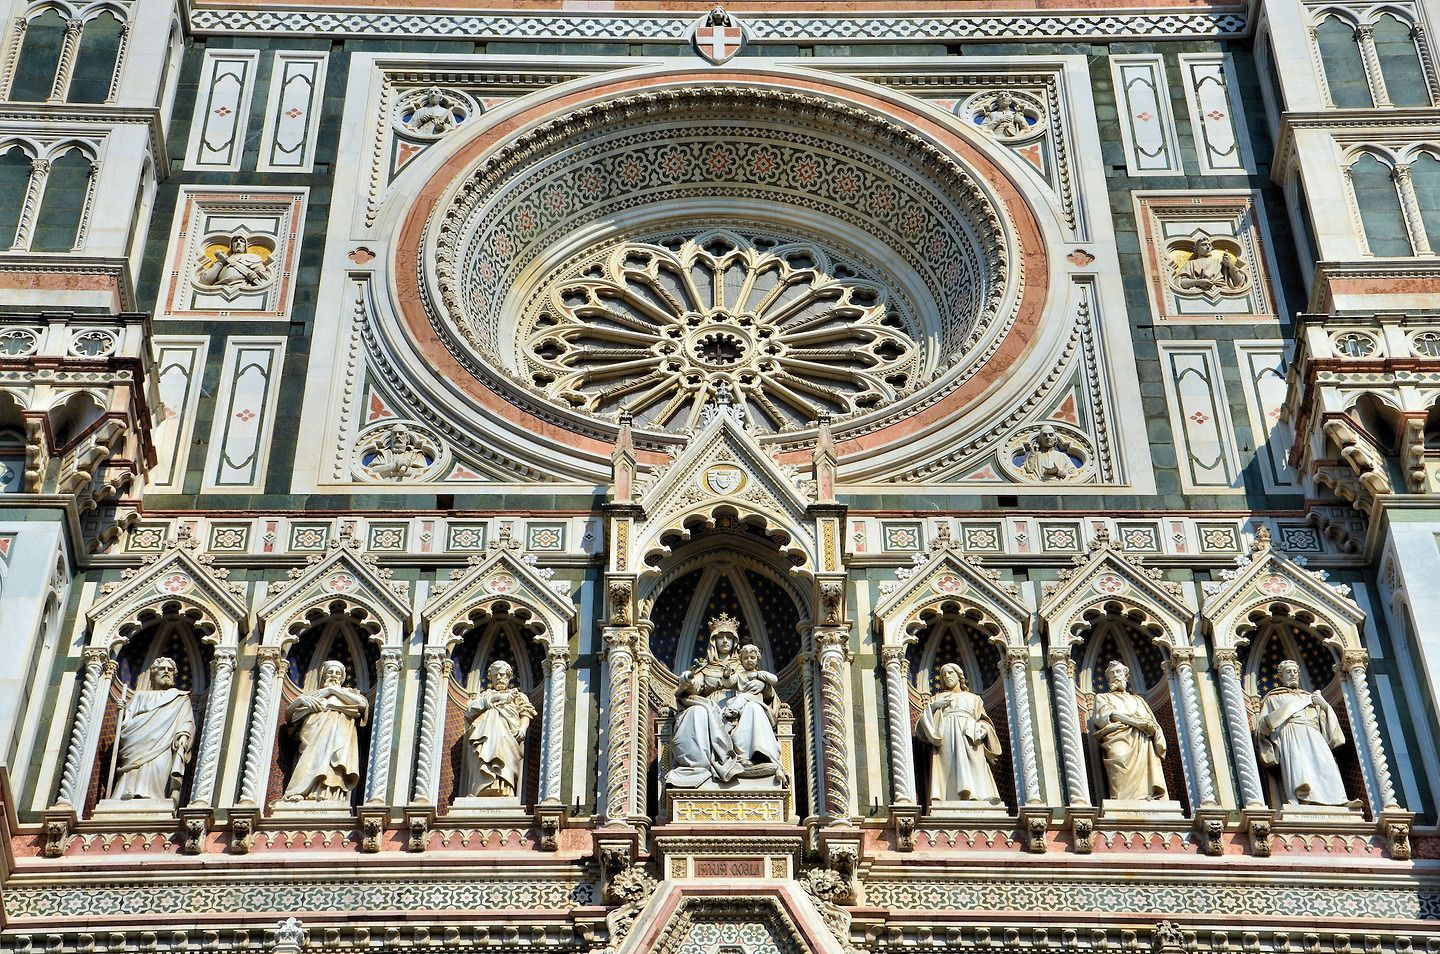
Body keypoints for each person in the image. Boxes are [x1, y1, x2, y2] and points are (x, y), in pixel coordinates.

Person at [1256, 659, 1360, 808]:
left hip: (1314, 734)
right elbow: (1262, 726)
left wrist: (1323, 704)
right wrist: (1266, 729)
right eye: (1288, 672)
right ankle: (1298, 800)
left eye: (1295, 671)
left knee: (1326, 764)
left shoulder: (1310, 698)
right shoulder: (1273, 698)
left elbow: (1328, 725)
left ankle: (1339, 799)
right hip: (1291, 734)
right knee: (1298, 768)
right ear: (1280, 676)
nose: (1292, 674)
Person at [110, 657, 194, 803]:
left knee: (159, 767)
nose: (166, 672)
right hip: (137, 742)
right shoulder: (141, 696)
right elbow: (125, 722)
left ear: (174, 675)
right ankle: (126, 794)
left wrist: (184, 735)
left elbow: (187, 721)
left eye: (170, 670)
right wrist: (122, 712)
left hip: (164, 744)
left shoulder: (181, 698)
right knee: (132, 770)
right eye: (162, 669)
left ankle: (155, 798)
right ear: (154, 674)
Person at [282, 660, 368, 803]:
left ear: (342, 678)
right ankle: (299, 792)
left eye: (337, 673)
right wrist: (300, 701)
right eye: (330, 672)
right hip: (313, 733)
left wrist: (332, 691)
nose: (333, 675)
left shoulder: (349, 694)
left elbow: (362, 704)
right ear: (323, 675)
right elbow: (289, 716)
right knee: (309, 761)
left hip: (338, 735)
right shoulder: (313, 695)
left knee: (332, 764)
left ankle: (329, 796)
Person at [916, 663, 1002, 804]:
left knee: (974, 766)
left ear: (959, 675)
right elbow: (921, 728)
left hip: (969, 737)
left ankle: (979, 796)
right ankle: (949, 798)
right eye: (944, 675)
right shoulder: (937, 698)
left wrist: (980, 729)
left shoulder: (973, 699)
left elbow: (985, 722)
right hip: (946, 737)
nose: (947, 676)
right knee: (948, 770)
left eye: (950, 673)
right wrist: (933, 706)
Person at [1090, 660, 1169, 801]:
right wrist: (1135, 722)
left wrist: (1152, 728)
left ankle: (1146, 797)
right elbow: (1109, 715)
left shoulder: (1138, 700)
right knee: (1118, 761)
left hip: (1142, 741)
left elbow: (1151, 720)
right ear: (1108, 679)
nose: (1116, 675)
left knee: (1145, 771)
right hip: (1118, 738)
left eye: (1119, 672)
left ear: (1126, 677)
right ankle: (1122, 800)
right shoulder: (1102, 697)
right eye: (1112, 674)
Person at [460, 660, 537, 797]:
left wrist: (523, 728)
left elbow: (526, 712)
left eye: (502, 675)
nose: (499, 678)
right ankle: (481, 787)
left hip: (507, 736)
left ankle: (504, 788)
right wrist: (495, 698)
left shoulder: (517, 696)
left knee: (505, 760)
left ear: (509, 676)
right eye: (495, 676)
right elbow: (470, 711)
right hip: (486, 736)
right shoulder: (485, 695)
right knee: (482, 755)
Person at [1173, 234, 1245, 292]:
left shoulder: (1220, 263)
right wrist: (1197, 282)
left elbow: (1238, 283)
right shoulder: (1191, 264)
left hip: (1222, 290)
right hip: (1198, 292)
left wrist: (1231, 266)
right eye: (1204, 245)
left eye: (1209, 245)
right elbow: (1181, 283)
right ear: (1196, 249)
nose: (1208, 247)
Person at [197, 234, 272, 288]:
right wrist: (220, 262)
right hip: (220, 287)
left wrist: (254, 276)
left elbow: (265, 278)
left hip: (242, 286)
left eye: (242, 241)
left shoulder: (252, 259)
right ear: (231, 246)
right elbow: (205, 281)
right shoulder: (223, 261)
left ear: (245, 246)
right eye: (235, 241)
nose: (238, 243)